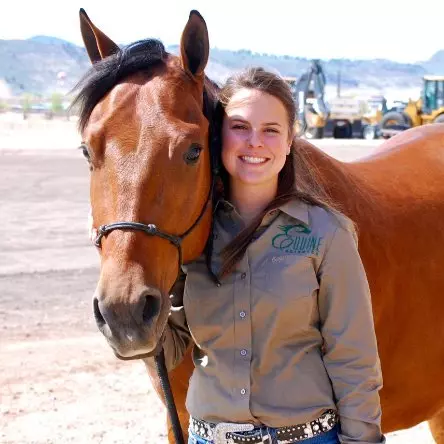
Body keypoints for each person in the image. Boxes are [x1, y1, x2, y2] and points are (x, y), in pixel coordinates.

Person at [91, 67, 385, 444]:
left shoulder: (327, 233)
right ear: (219, 136)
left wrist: (362, 439)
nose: (254, 143)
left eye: (271, 130)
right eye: (240, 127)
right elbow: (174, 345)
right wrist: (129, 297)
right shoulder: (190, 240)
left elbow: (353, 358)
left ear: (290, 140)